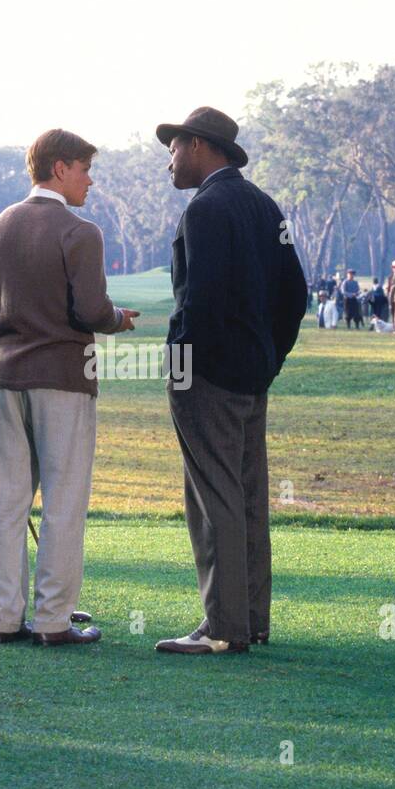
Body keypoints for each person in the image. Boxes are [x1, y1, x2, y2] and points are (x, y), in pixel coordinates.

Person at [0, 128, 139, 647]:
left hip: (5, 381)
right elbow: (89, 311)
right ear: (60, 168)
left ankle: (4, 617)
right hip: (65, 380)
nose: (90, 181)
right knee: (63, 503)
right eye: (85, 169)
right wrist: (119, 320)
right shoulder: (80, 232)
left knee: (7, 504)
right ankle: (53, 620)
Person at [152, 107, 307, 655]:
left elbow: (200, 303)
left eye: (173, 148)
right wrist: (270, 357)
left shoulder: (205, 209)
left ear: (198, 146)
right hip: (251, 376)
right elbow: (296, 295)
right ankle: (251, 622)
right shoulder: (265, 206)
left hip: (205, 376)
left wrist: (179, 366)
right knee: (247, 497)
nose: (168, 160)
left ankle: (221, 627)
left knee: (212, 496)